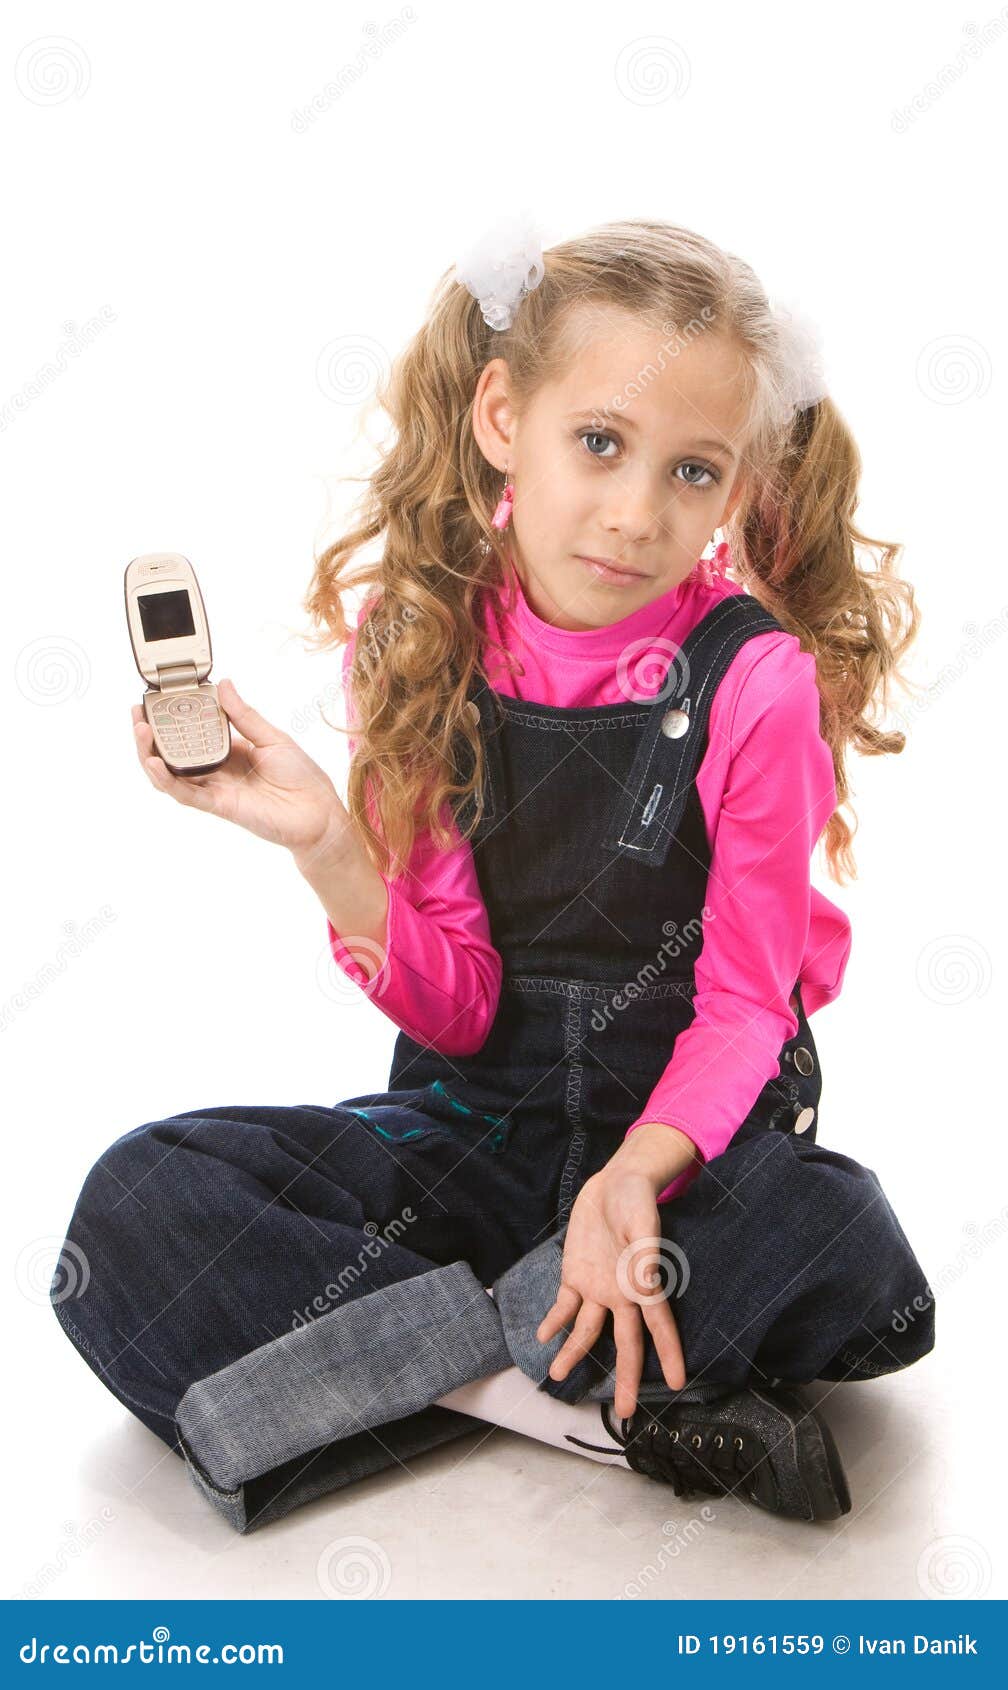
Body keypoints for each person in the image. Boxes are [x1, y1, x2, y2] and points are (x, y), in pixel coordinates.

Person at [51, 216, 935, 1535]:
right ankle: (558, 1385)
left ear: (742, 486)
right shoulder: (418, 642)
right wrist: (329, 848)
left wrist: (632, 1178)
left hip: (678, 1156)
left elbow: (750, 1006)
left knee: (835, 1234)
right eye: (600, 443)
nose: (639, 513)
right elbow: (456, 1008)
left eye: (693, 471)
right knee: (135, 1206)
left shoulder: (758, 681)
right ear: (502, 413)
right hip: (477, 1132)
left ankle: (376, 1373)